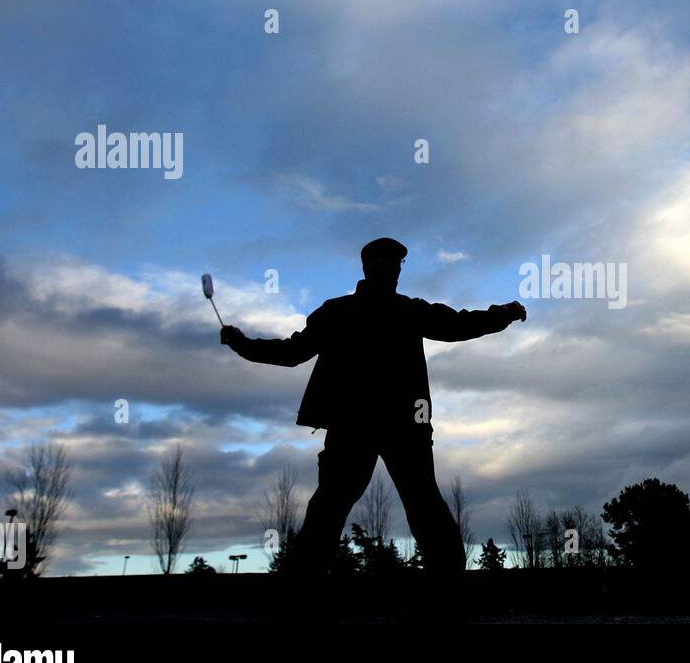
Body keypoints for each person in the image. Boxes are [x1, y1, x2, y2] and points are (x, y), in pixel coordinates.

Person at [220, 237, 526, 573]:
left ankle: (302, 593)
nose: (392, 268)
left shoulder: (376, 311)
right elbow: (292, 353)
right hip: (380, 427)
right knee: (377, 505)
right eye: (385, 261)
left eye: (396, 263)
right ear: (368, 266)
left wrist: (502, 315)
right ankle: (445, 592)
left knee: (349, 506)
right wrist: (243, 345)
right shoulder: (363, 311)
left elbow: (458, 325)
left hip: (378, 426)